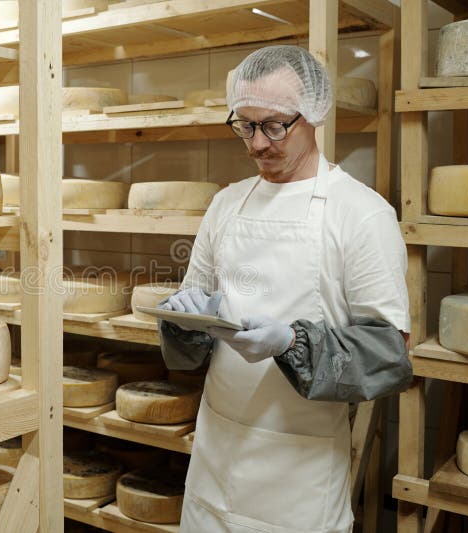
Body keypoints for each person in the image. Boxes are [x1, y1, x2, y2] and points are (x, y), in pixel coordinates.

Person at [157, 45, 412, 533]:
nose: (257, 144)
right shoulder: (226, 206)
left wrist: (293, 343)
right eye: (245, 126)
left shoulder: (361, 215)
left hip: (301, 476)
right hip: (215, 460)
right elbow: (189, 347)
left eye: (274, 125)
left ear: (314, 114)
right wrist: (184, 320)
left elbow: (389, 356)